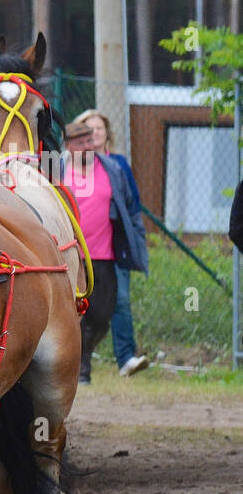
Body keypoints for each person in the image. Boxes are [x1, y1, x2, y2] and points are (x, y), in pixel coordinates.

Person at [62, 118, 149, 384]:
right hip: (69, 254)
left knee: (102, 317)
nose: (87, 146)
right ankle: (81, 370)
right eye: (80, 143)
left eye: (90, 141)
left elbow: (130, 207)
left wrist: (137, 240)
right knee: (74, 314)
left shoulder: (111, 168)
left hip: (104, 255)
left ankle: (83, 357)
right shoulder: (58, 170)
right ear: (68, 146)